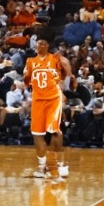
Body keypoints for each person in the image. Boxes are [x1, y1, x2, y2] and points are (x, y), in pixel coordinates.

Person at [25, 35, 72, 180]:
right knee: (37, 134)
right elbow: (27, 81)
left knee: (55, 131)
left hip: (53, 98)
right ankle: (41, 167)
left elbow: (68, 71)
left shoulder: (56, 59)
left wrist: (65, 86)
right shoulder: (30, 62)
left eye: (43, 43)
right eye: (38, 43)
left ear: (48, 46)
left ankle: (61, 164)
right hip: (38, 100)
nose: (40, 46)